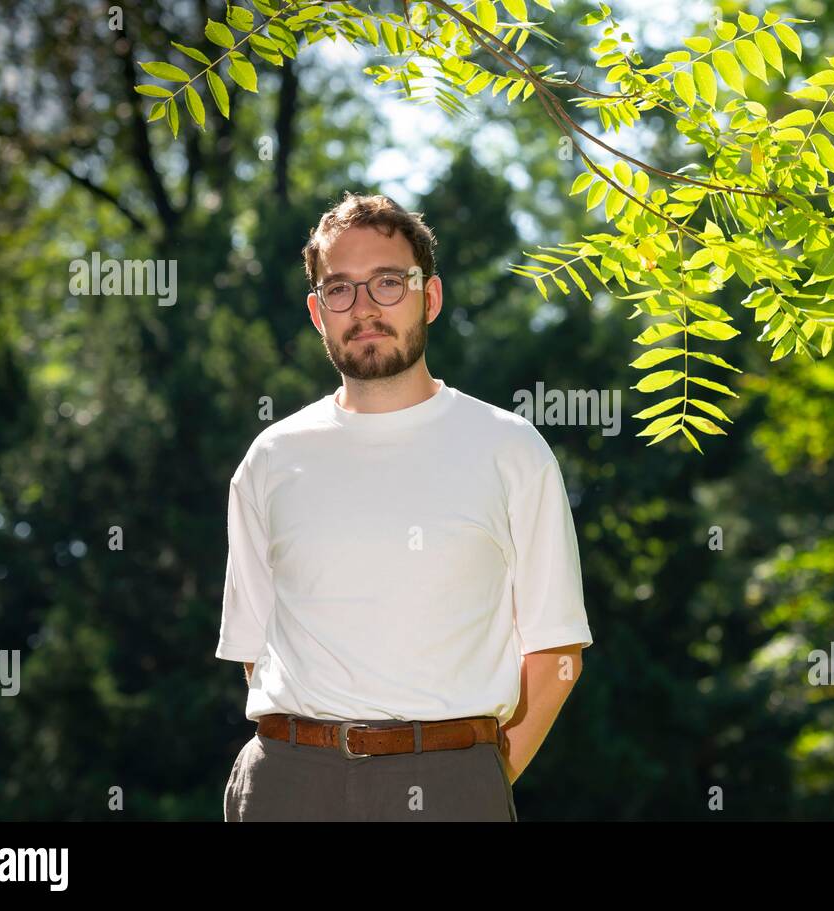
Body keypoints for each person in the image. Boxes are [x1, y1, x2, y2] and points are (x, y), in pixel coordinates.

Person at [216, 192, 594, 821]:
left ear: (431, 297)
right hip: (286, 785)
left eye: (388, 283)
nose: (363, 308)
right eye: (340, 289)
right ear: (318, 312)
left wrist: (479, 777)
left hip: (451, 784)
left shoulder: (510, 449)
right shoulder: (271, 458)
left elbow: (556, 655)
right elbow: (255, 649)